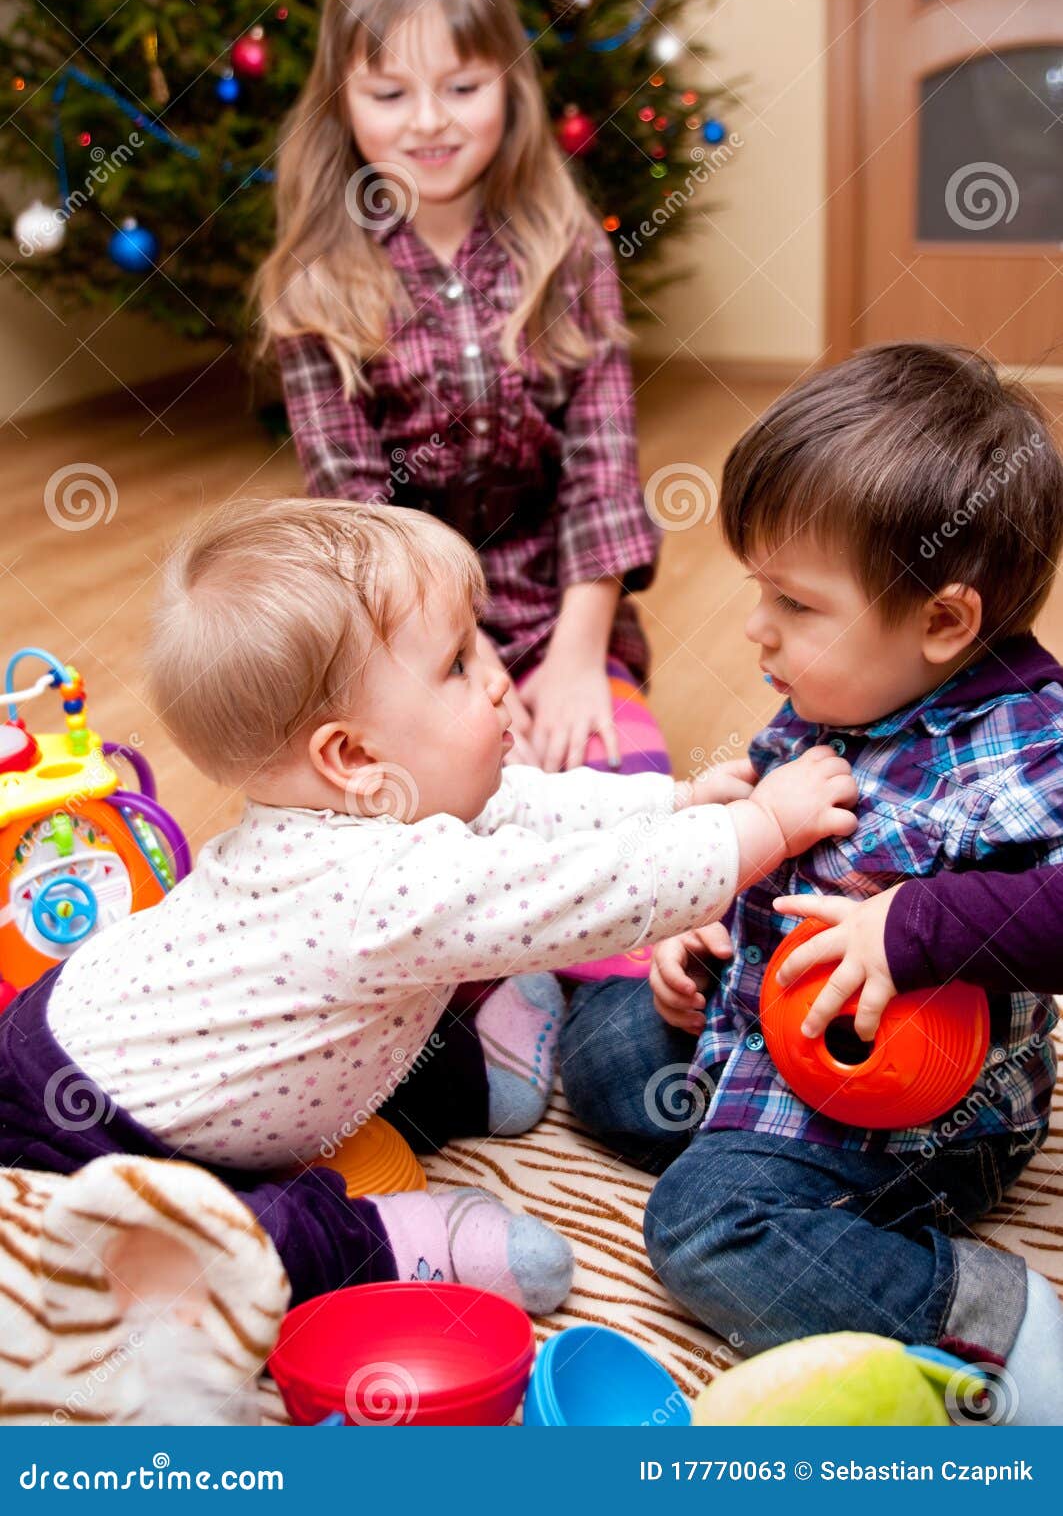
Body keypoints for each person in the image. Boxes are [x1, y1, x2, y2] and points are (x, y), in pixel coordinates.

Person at [0, 497, 857, 1312]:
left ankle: (473, 1071)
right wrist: (760, 829)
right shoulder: (369, 890)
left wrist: (678, 801)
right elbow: (595, 893)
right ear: (350, 754)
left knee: (352, 1037)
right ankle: (396, 1239)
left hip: (149, 1039)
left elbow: (525, 806)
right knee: (221, 1256)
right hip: (85, 1135)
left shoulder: (375, 805)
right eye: (455, 665)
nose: (492, 681)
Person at [560, 342, 1063, 1424]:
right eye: (758, 590)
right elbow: (789, 854)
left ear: (944, 620)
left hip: (924, 1115)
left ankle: (986, 1310)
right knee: (601, 1051)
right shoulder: (841, 686)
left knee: (702, 1224)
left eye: (792, 601)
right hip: (770, 1025)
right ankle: (744, 1140)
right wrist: (702, 940)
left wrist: (913, 927)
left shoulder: (1021, 741)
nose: (755, 628)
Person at [255, 0, 666, 779]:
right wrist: (460, 662)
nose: (430, 121)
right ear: (339, 101)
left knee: (625, 800)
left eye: (463, 85)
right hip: (403, 633)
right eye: (389, 93)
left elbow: (602, 472)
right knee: (430, 820)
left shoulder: (570, 249)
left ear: (510, 86)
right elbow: (359, 510)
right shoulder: (314, 283)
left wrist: (579, 658)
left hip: (567, 617)